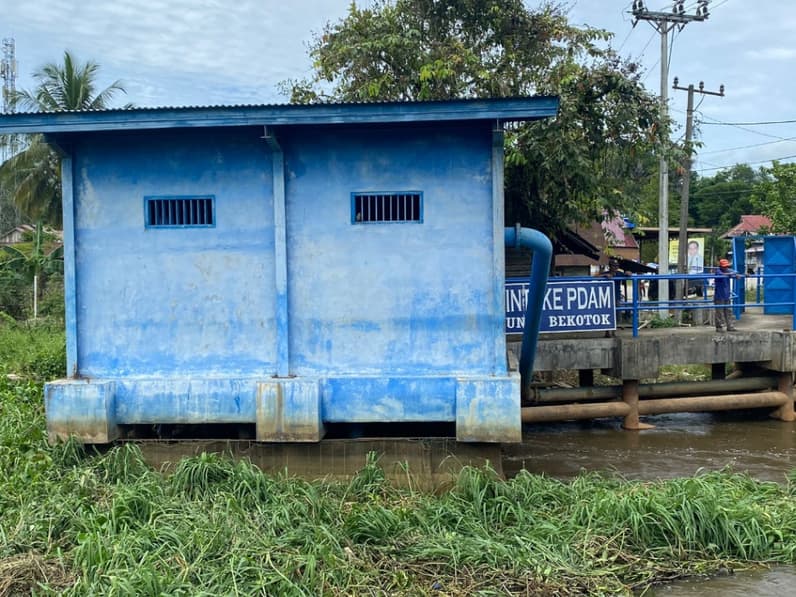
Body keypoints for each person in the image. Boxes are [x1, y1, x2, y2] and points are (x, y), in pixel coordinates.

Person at [714, 258, 740, 332]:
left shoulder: (727, 271)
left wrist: (736, 275)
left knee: (728, 311)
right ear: (721, 266)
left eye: (726, 266)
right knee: (719, 312)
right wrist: (732, 274)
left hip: (726, 295)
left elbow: (733, 273)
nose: (726, 268)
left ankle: (730, 326)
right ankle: (719, 327)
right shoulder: (718, 271)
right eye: (724, 266)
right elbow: (723, 274)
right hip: (719, 296)